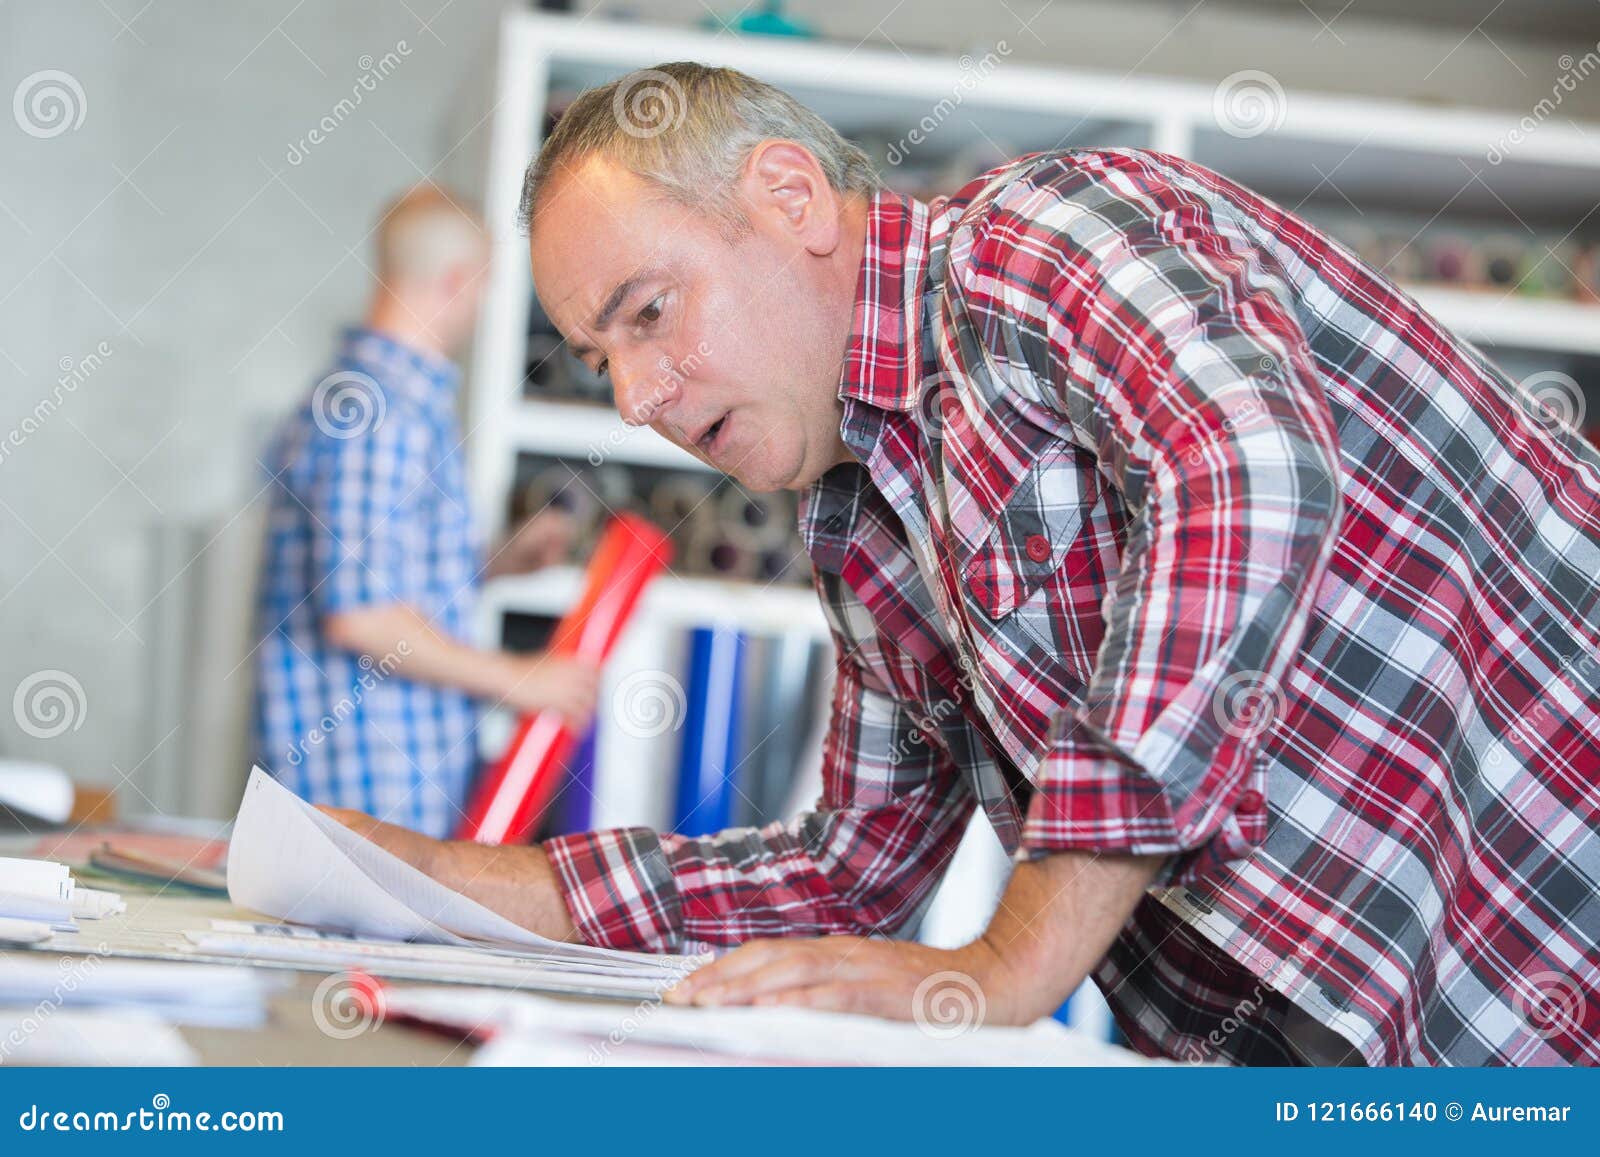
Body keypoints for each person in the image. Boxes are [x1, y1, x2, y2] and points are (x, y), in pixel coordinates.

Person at [322, 66, 1600, 1065]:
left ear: (791, 198)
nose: (638, 399)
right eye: (600, 361)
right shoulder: (864, 518)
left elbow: (1247, 472)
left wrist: (1009, 962)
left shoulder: (1039, 241)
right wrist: (439, 876)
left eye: (649, 314)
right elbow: (848, 871)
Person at [255, 186, 598, 838]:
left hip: (375, 780)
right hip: (366, 783)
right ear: (455, 280)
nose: (480, 305)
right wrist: (517, 678)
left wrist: (493, 564)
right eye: (484, 286)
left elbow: (376, 577)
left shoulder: (375, 401)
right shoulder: (379, 415)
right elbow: (362, 616)